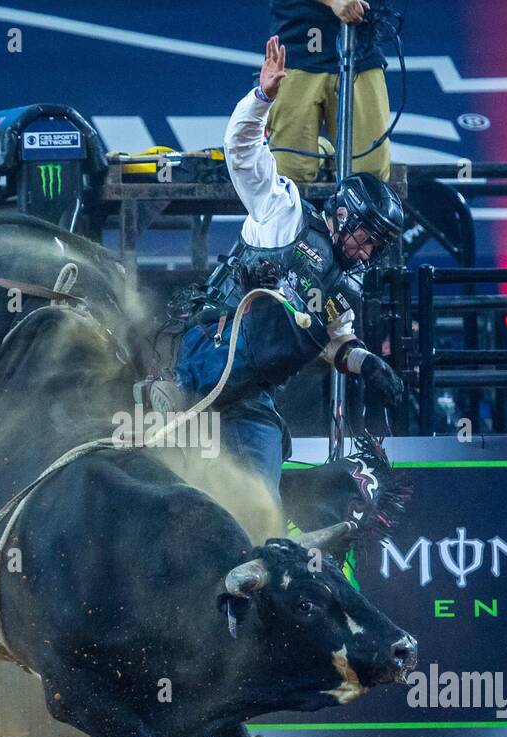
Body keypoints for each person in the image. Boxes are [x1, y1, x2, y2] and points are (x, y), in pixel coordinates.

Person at [169, 36, 405, 505]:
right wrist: (261, 100)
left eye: (378, 244)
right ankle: (162, 401)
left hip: (250, 398)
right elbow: (240, 151)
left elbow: (337, 344)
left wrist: (370, 365)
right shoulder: (284, 211)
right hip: (204, 359)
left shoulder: (345, 288)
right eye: (367, 235)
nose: (369, 249)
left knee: (261, 507)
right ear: (343, 216)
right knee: (172, 483)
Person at [267, 0, 392, 183]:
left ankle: (326, 155)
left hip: (361, 52)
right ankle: (323, 154)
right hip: (299, 50)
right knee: (289, 173)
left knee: (369, 175)